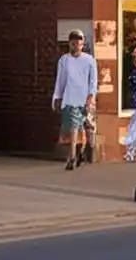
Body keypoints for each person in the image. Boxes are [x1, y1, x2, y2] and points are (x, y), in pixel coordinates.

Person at [52, 29, 98, 171]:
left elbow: (93, 81)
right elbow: (60, 80)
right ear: (69, 44)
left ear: (82, 44)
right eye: (73, 43)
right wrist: (57, 97)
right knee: (72, 128)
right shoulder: (64, 60)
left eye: (78, 43)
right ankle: (72, 156)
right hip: (70, 99)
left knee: (82, 130)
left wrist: (91, 96)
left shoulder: (89, 60)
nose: (76, 46)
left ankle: (78, 153)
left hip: (84, 99)